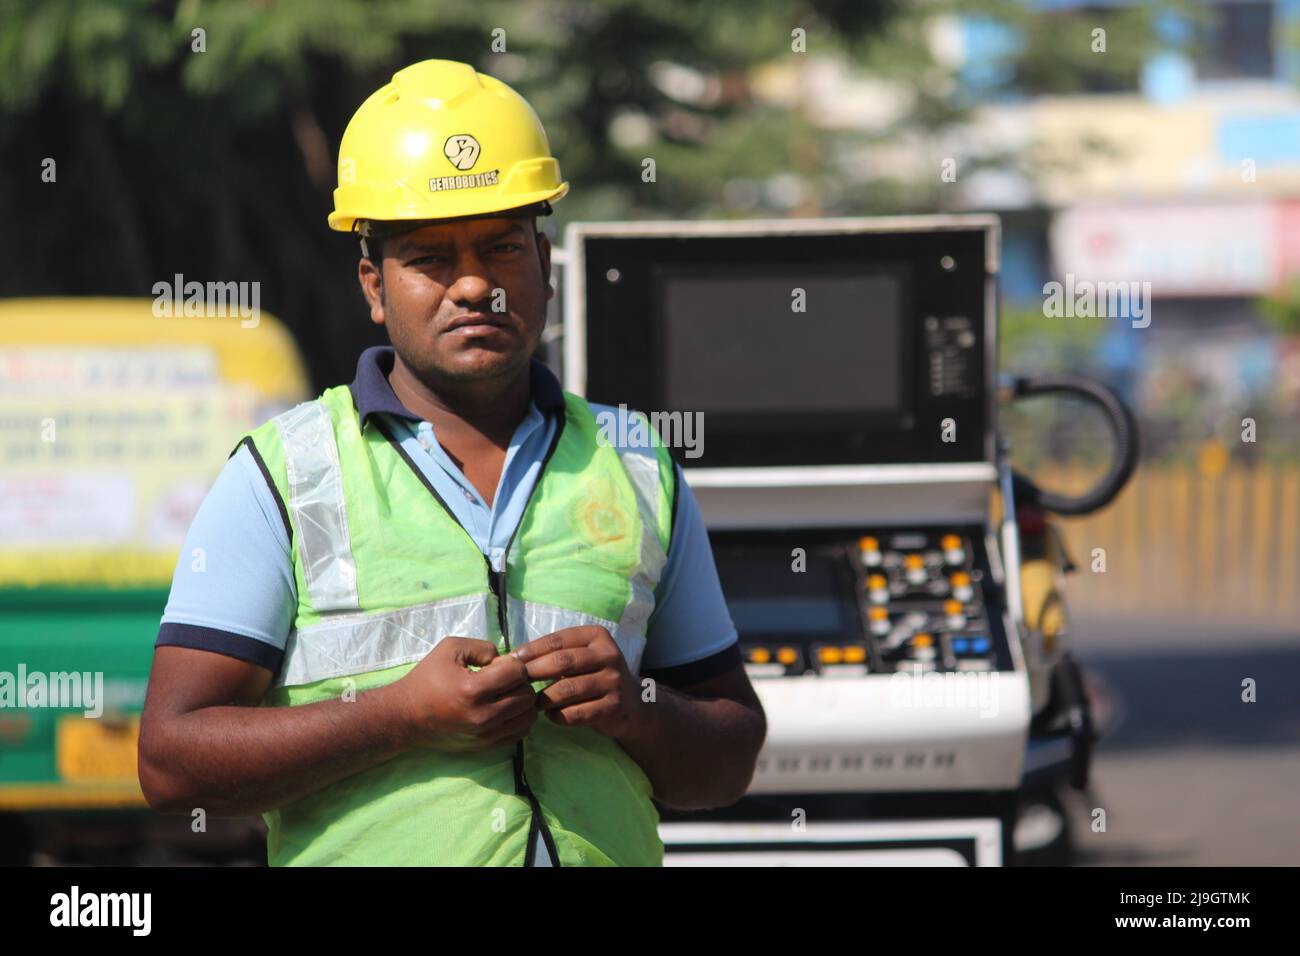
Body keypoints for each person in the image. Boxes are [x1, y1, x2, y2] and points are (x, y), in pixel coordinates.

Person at [137, 58, 766, 866]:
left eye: (501, 247)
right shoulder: (283, 474)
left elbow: (730, 759)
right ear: (374, 286)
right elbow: (169, 761)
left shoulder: (635, 460)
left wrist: (638, 707)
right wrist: (398, 717)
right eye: (430, 258)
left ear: (543, 261)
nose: (474, 285)